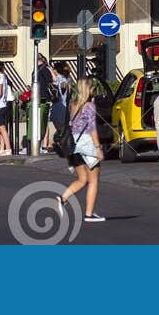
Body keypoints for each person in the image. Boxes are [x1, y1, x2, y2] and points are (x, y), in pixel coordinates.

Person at [58, 77, 104, 223]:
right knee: (93, 181)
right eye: (93, 89)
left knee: (82, 179)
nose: (95, 91)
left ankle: (63, 197)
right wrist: (98, 148)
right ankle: (89, 214)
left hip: (74, 145)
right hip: (87, 144)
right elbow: (91, 128)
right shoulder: (89, 106)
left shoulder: (74, 104)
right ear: (89, 90)